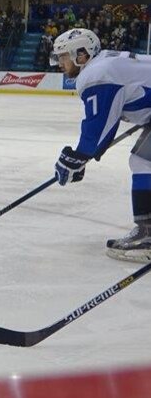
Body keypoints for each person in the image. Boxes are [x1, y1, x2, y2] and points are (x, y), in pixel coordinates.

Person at [50, 28, 151, 261]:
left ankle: (147, 235)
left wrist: (79, 156)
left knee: (143, 162)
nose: (59, 63)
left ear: (81, 55)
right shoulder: (106, 63)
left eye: (63, 56)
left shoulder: (97, 74)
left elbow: (99, 127)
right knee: (143, 161)